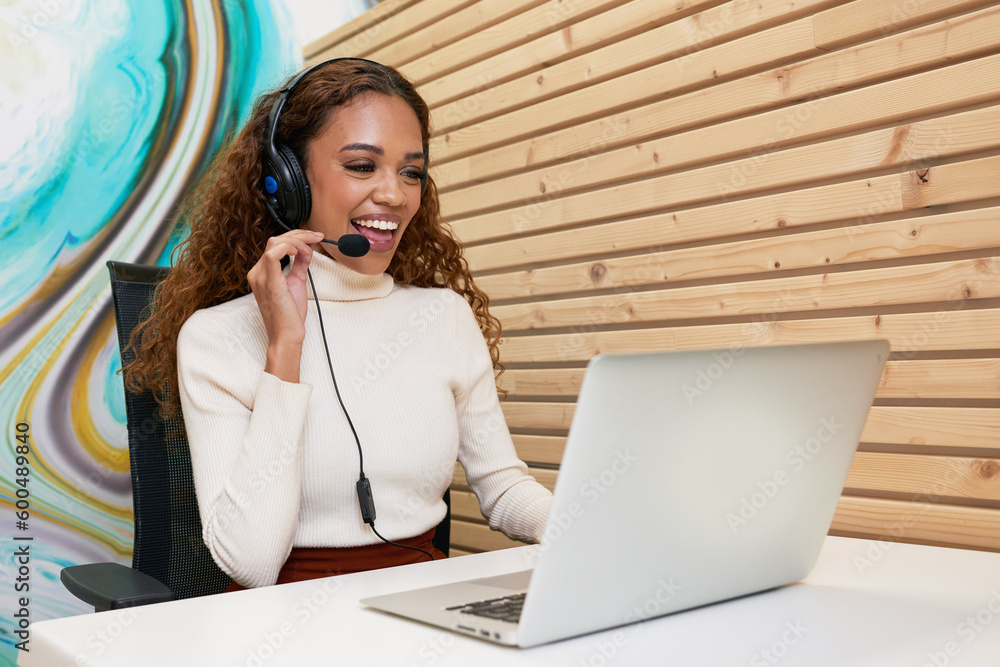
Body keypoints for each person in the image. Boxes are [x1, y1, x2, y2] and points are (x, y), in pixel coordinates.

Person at [123, 59, 552, 590]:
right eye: (362, 166)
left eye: (411, 171)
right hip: (278, 625)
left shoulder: (443, 317)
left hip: (421, 608)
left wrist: (595, 530)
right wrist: (285, 347)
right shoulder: (217, 338)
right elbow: (253, 564)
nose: (395, 195)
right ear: (289, 182)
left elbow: (504, 488)